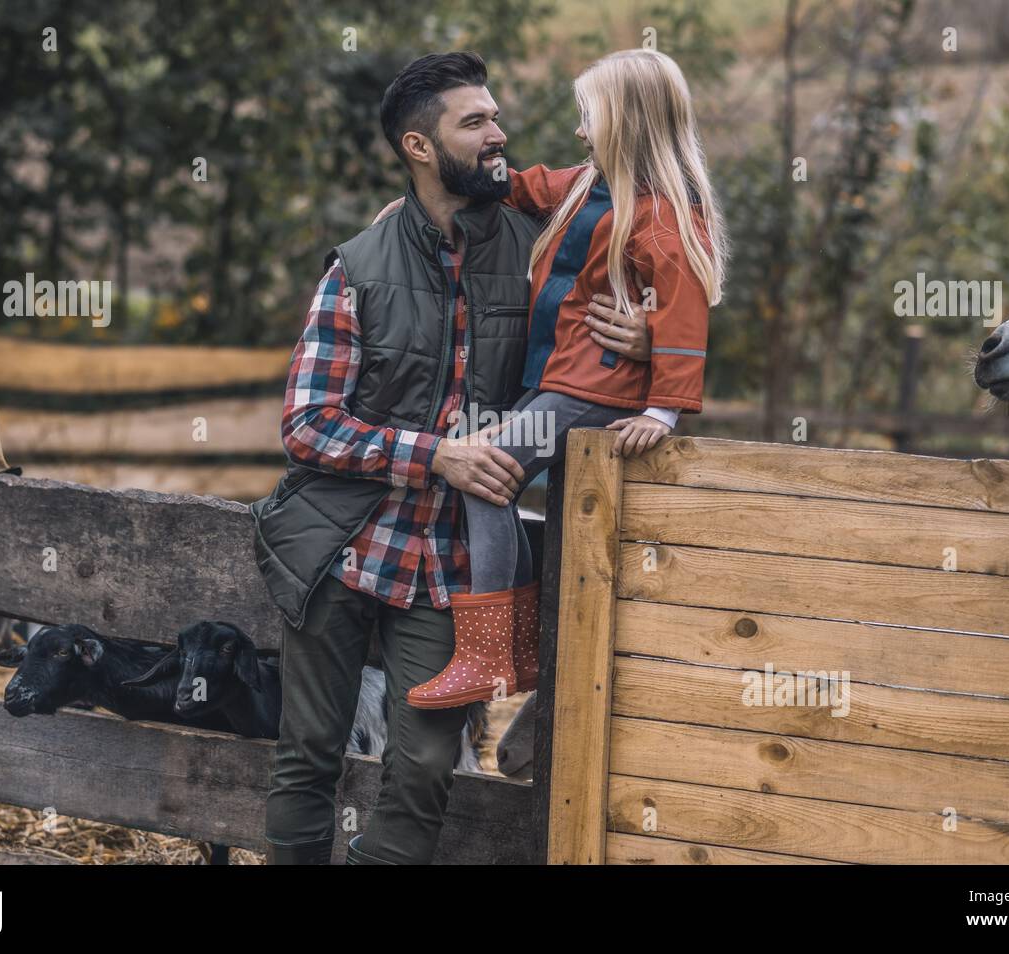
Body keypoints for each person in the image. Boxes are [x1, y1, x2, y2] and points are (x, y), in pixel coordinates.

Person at [260, 51, 652, 865]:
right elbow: (306, 426)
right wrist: (434, 454)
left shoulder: (538, 253)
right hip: (339, 547)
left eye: (496, 115)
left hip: (452, 559)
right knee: (307, 757)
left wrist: (646, 346)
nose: (499, 133)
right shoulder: (358, 269)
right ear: (419, 147)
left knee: (426, 770)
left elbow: (596, 364)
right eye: (474, 122)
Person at [400, 48, 729, 709]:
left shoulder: (661, 214)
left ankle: (492, 652)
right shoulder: (585, 184)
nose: (581, 131)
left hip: (594, 392)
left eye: (590, 117)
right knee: (506, 485)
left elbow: (686, 312)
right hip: (560, 383)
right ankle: (518, 654)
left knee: (484, 465)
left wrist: (662, 411)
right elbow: (519, 186)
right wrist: (412, 207)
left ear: (626, 122)